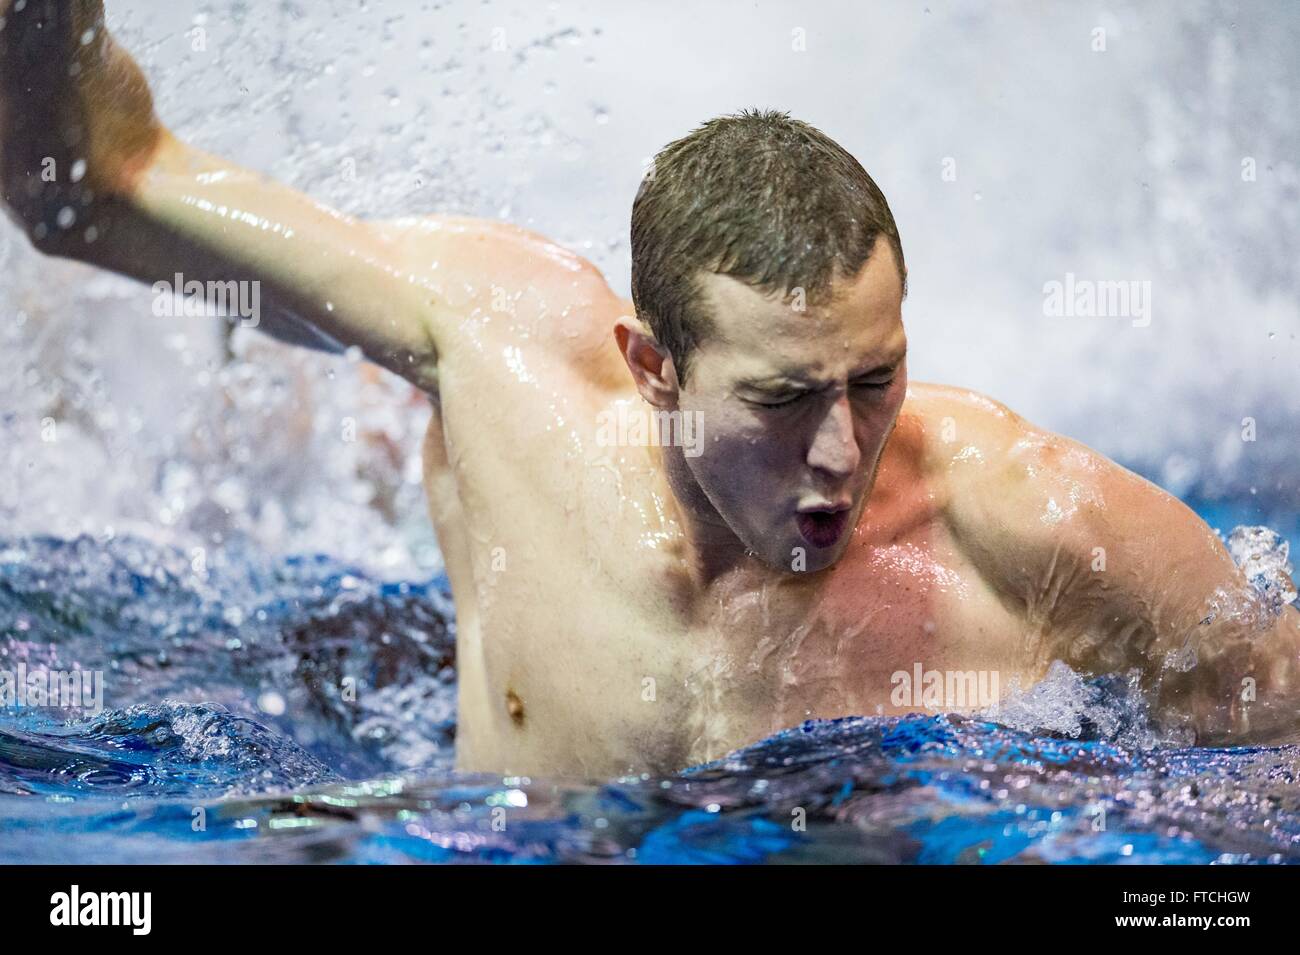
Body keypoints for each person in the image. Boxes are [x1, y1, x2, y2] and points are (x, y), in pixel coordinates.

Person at [2, 0, 1297, 778]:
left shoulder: (1031, 523)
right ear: (652, 368)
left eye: (877, 379)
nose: (844, 451)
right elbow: (87, 188)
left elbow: (1270, 733)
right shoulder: (499, 360)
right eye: (784, 399)